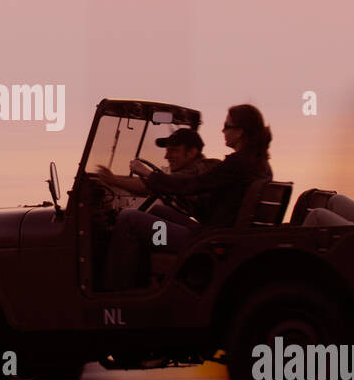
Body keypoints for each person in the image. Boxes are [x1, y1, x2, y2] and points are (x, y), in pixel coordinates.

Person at [98, 105, 273, 290]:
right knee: (158, 210)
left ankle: (115, 292)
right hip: (219, 232)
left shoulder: (236, 164)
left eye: (227, 126)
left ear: (240, 131)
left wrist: (149, 175)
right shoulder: (260, 164)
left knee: (129, 219)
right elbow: (210, 198)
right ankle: (148, 284)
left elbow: (191, 185)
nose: (223, 130)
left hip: (207, 240)